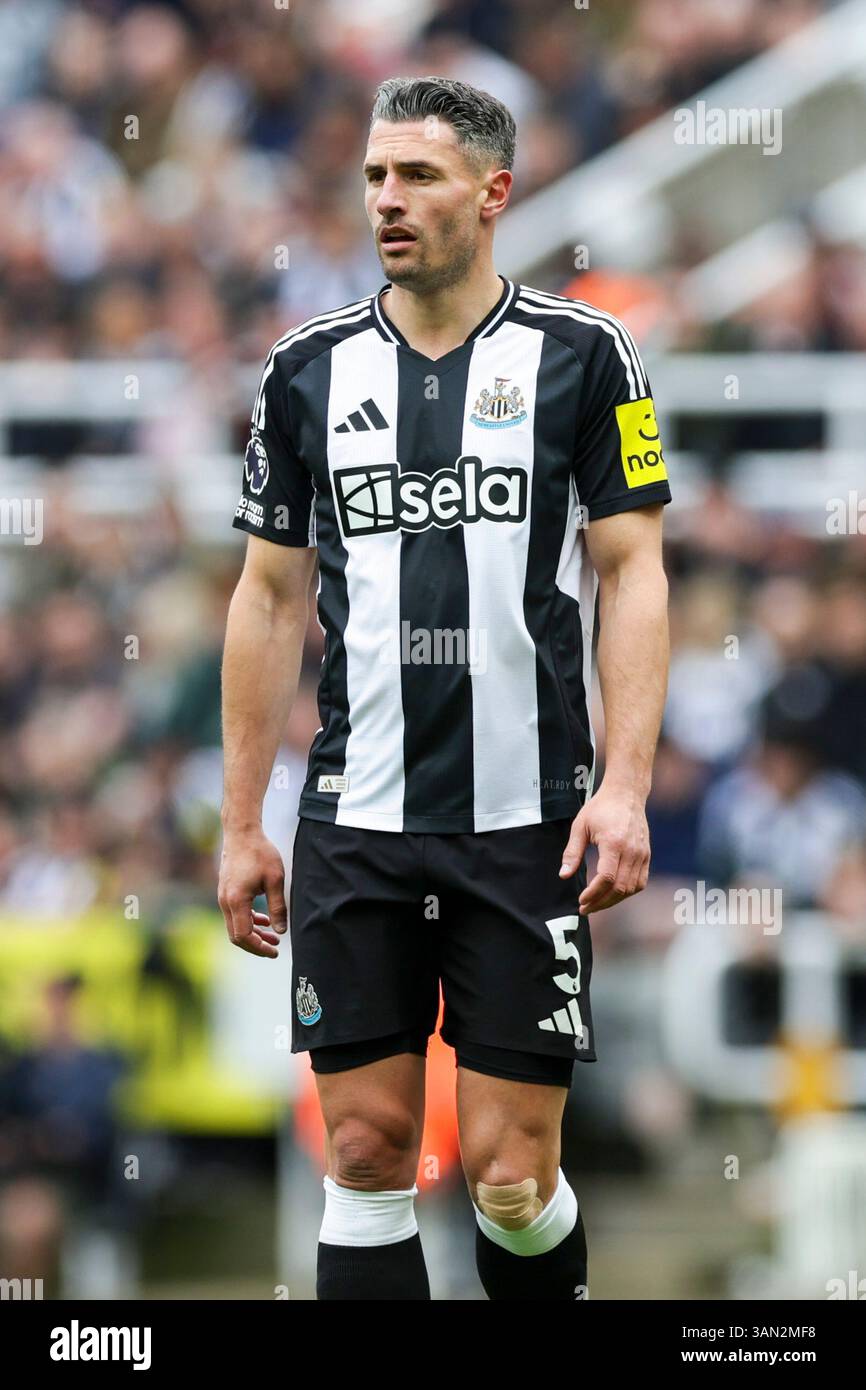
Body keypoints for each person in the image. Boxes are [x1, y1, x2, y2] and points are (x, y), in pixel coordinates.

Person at [219, 75, 671, 1301]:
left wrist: (624, 788)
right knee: (364, 1152)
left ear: (492, 191)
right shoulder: (303, 372)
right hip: (355, 820)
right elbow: (264, 599)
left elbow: (631, 574)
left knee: (509, 1175)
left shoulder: (585, 356)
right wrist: (239, 821)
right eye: (373, 176)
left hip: (526, 822)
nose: (386, 200)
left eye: (415, 176)